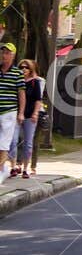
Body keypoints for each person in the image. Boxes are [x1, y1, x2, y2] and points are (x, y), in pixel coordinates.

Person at [0, 43, 25, 182]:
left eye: (7, 53)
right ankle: (3, 169)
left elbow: (21, 94)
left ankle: (1, 170)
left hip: (9, 111)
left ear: (13, 55)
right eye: (3, 52)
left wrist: (21, 113)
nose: (4, 55)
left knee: (4, 142)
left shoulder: (17, 73)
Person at [14, 60, 43, 178]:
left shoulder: (35, 82)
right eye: (21, 67)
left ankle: (26, 168)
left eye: (26, 68)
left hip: (30, 115)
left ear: (31, 69)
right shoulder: (16, 81)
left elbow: (38, 99)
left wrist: (35, 113)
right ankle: (15, 165)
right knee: (14, 141)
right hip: (16, 114)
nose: (23, 69)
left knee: (28, 142)